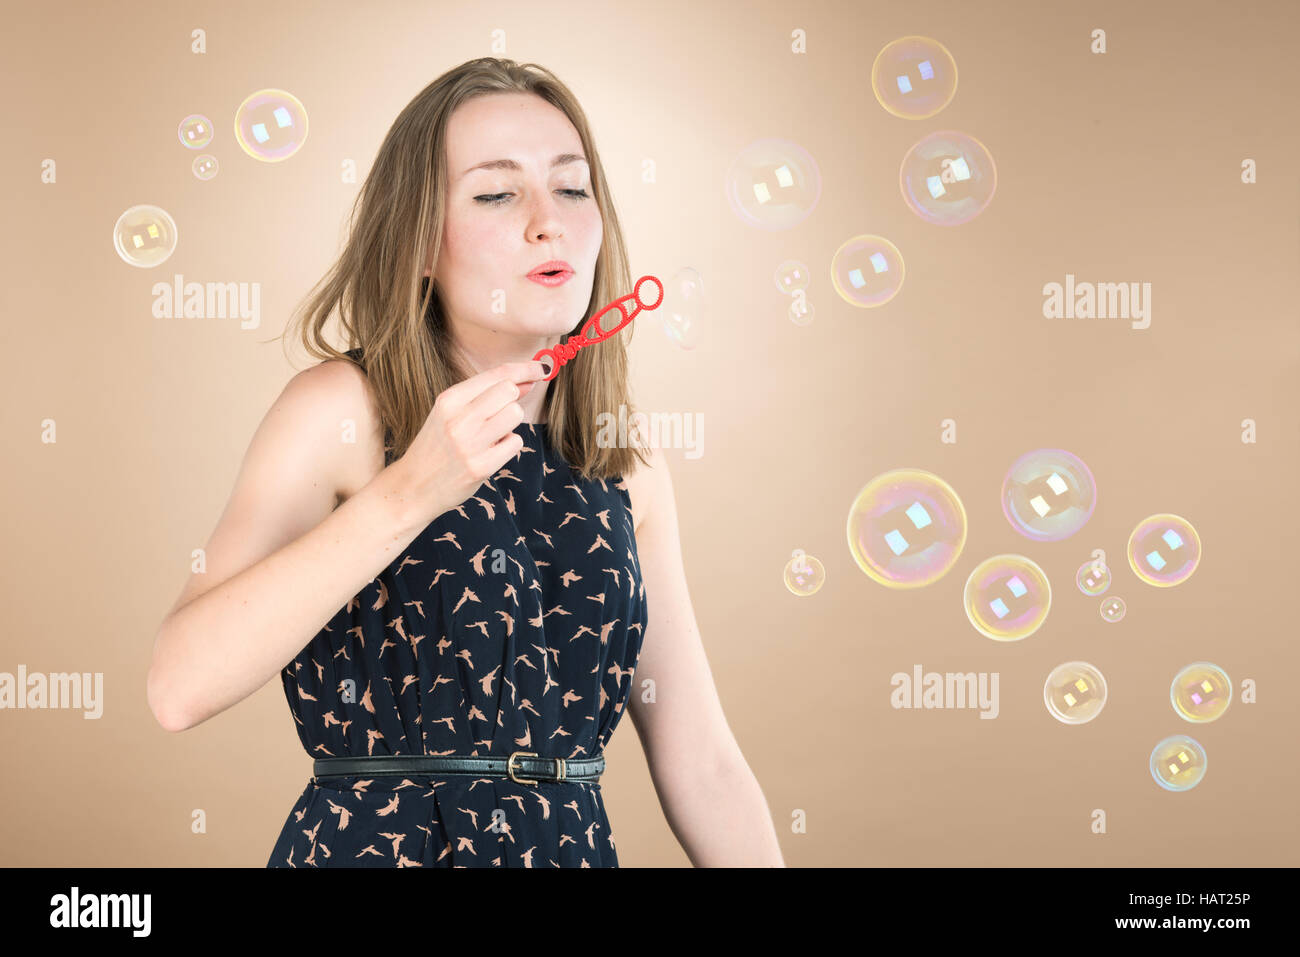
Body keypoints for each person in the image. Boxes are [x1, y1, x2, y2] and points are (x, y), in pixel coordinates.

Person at [146, 57, 784, 867]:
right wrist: (408, 493)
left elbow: (702, 761)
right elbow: (177, 687)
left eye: (572, 187)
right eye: (495, 192)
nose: (548, 221)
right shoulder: (340, 410)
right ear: (416, 242)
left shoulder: (624, 459)